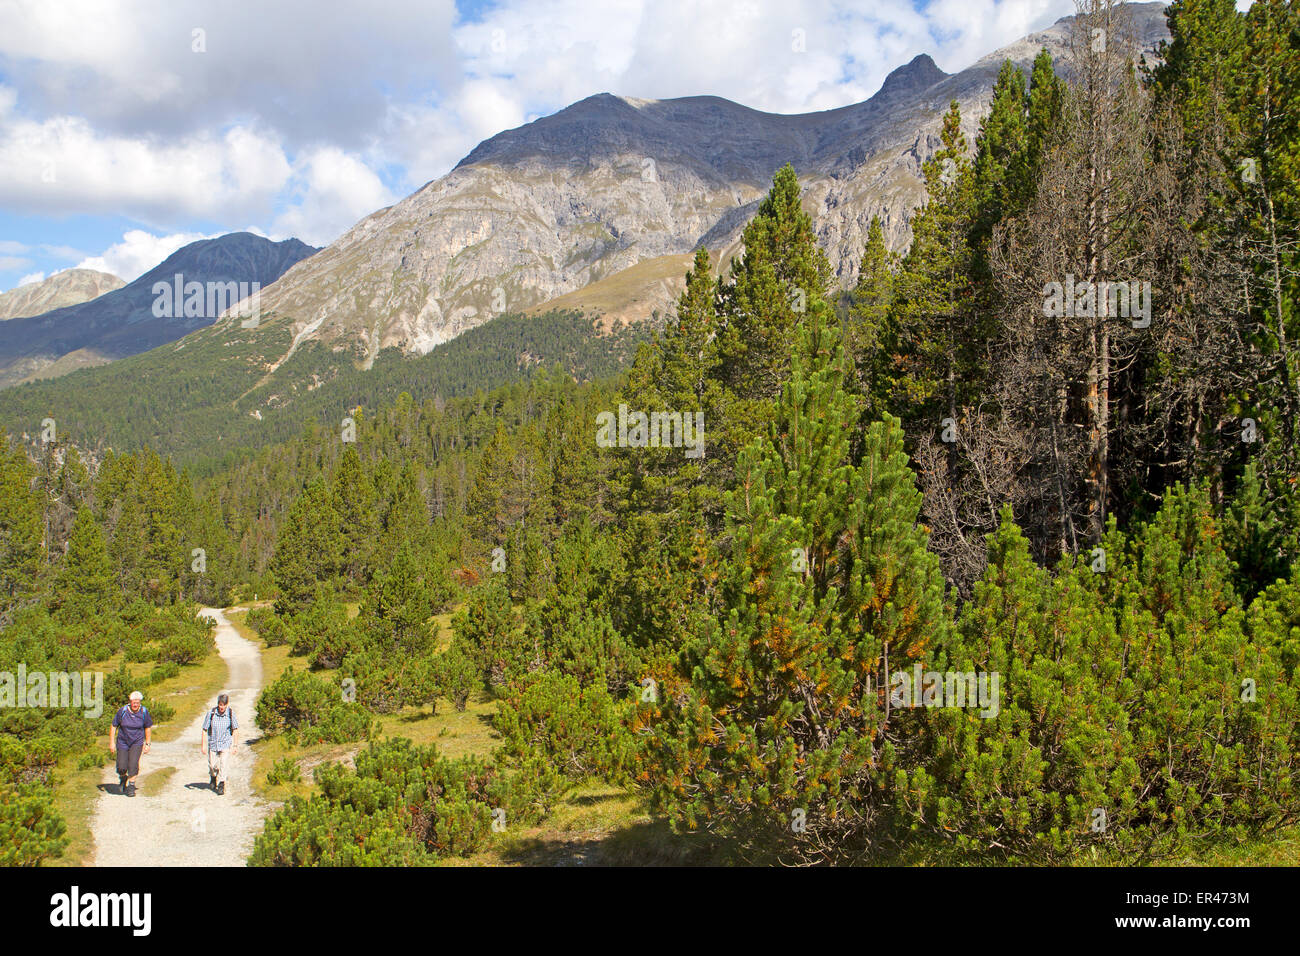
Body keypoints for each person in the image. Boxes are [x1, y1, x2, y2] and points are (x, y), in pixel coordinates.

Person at [109, 691, 152, 797]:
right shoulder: (122, 711)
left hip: (136, 742)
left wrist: (148, 743)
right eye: (133, 702)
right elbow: (114, 726)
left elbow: (147, 727)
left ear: (140, 702)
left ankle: (131, 786)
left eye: (137, 702)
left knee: (133, 764)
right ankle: (123, 778)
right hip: (123, 741)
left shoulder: (144, 712)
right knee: (121, 766)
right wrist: (111, 742)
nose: (135, 704)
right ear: (130, 702)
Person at [200, 693, 239, 795]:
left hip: (225, 744)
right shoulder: (211, 713)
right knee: (212, 766)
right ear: (218, 704)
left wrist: (235, 745)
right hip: (213, 744)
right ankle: (213, 777)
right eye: (220, 705)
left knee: (223, 764)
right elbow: (204, 729)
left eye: (223, 705)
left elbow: (235, 729)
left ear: (227, 704)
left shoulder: (230, 713)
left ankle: (221, 784)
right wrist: (203, 745)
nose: (222, 707)